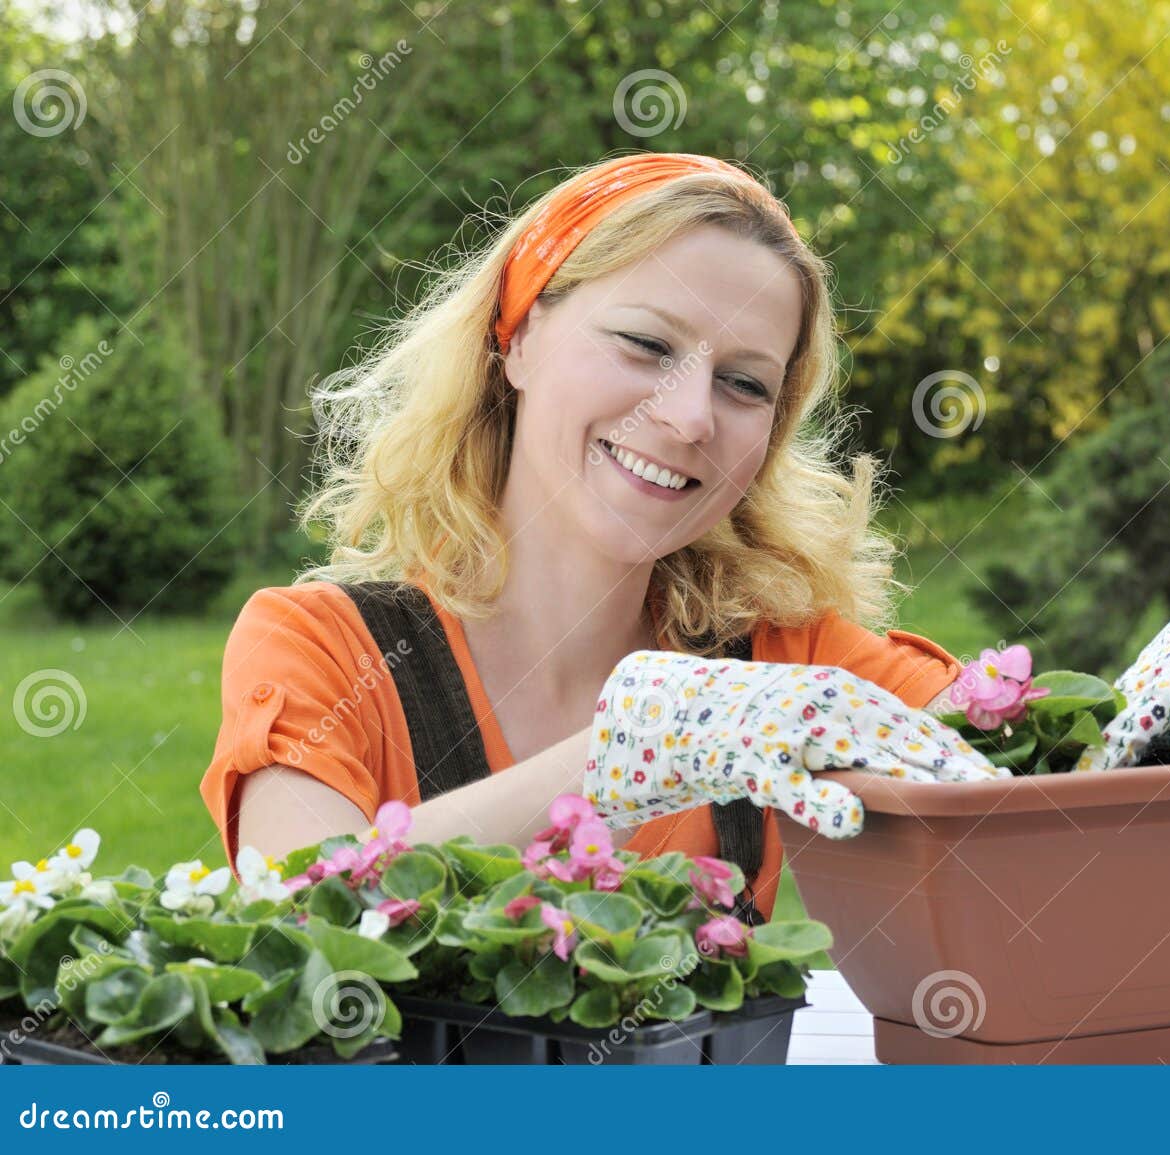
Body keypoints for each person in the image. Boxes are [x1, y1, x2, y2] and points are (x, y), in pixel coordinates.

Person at [199, 152, 1004, 923]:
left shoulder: (783, 665)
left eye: (745, 383)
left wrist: (1128, 716)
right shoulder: (326, 649)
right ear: (516, 338)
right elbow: (295, 907)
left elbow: (1046, 779)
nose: (691, 416)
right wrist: (633, 749)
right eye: (647, 345)